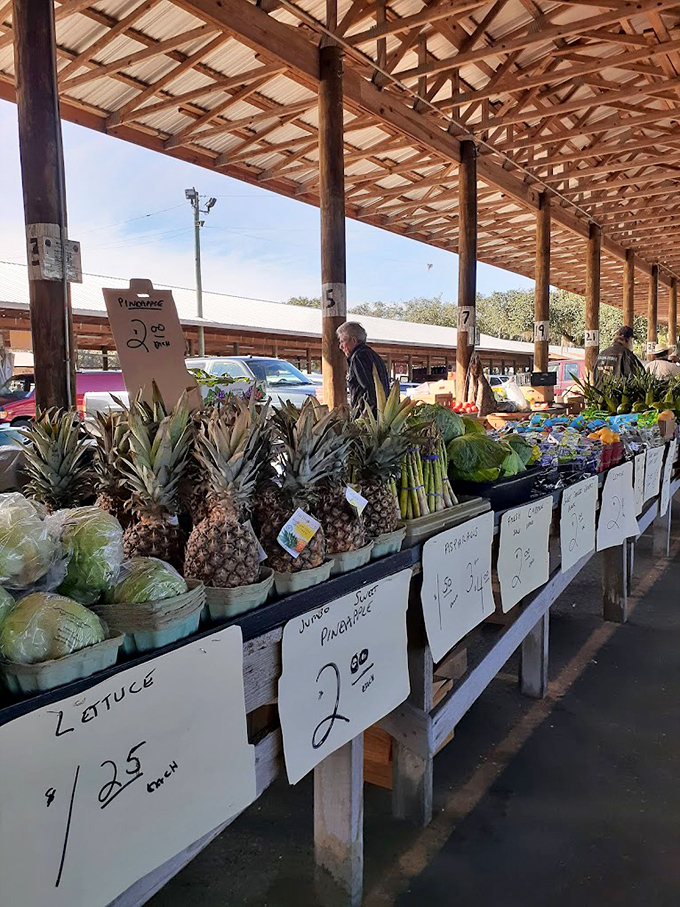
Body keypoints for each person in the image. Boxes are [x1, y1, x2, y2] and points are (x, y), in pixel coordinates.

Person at [336, 321, 389, 414]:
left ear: (353, 340)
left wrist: (364, 416)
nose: (341, 347)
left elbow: (370, 390)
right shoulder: (373, 355)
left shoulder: (359, 357)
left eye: (342, 342)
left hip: (369, 418)